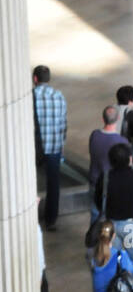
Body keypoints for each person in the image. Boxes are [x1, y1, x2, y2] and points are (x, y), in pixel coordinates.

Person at [95, 142, 133, 283]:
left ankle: (115, 288)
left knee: (112, 257)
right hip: (130, 224)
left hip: (110, 224)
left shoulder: (105, 177)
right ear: (129, 158)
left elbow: (98, 199)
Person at [32, 65, 67, 231]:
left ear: (35, 79)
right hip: (54, 146)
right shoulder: (59, 96)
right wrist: (61, 144)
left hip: (34, 148)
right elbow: (63, 123)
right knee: (53, 185)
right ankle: (51, 220)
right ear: (48, 79)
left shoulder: (30, 97)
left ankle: (31, 215)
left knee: (31, 182)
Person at [88, 105, 120, 214]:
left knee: (94, 212)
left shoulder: (94, 135)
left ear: (102, 119)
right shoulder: (121, 141)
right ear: (118, 118)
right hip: (111, 184)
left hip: (95, 180)